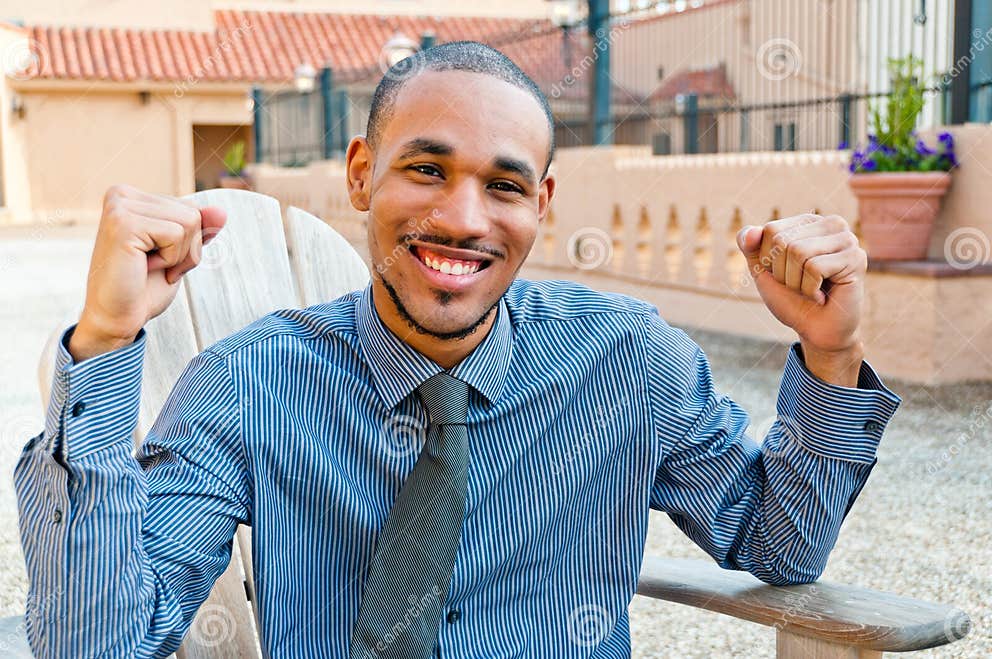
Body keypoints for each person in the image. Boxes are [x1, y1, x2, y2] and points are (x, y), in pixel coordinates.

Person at [15, 41, 900, 658]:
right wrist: (104, 342)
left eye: (504, 184)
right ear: (362, 173)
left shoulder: (632, 363)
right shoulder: (247, 385)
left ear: (543, 205)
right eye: (427, 169)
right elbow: (100, 642)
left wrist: (831, 350)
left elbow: (780, 545)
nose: (465, 219)